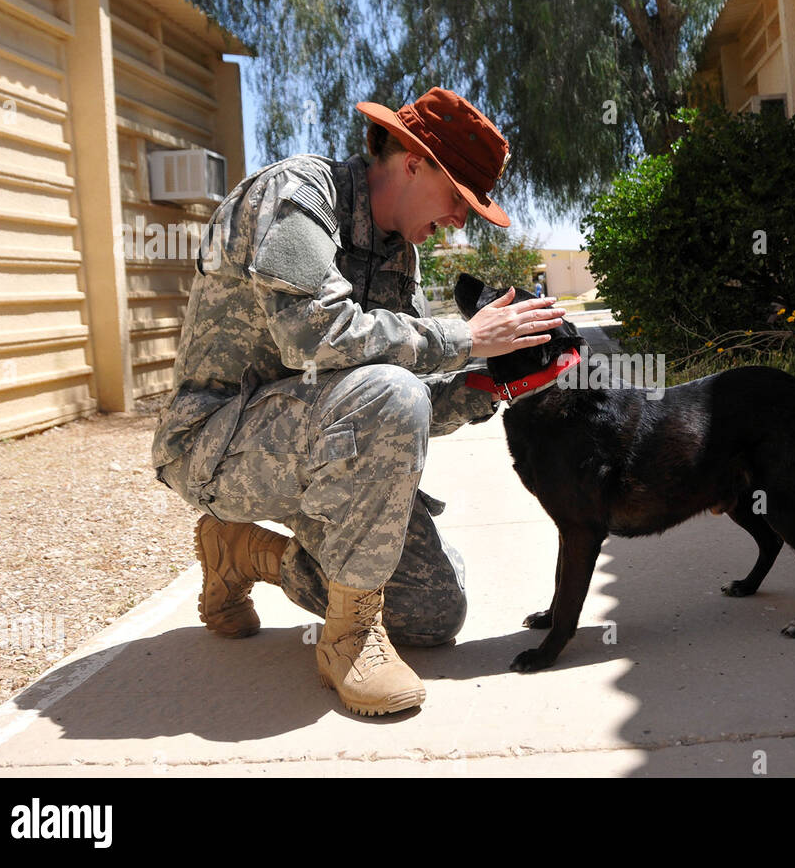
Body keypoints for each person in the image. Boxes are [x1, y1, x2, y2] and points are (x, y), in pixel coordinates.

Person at [152, 88, 565, 716]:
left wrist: (488, 388)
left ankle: (242, 553)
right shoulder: (298, 194)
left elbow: (410, 404)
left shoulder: (401, 257)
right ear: (413, 162)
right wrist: (464, 338)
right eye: (459, 198)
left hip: (317, 445)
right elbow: (313, 336)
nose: (460, 219)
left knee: (432, 613)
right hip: (217, 444)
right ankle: (349, 639)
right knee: (390, 390)